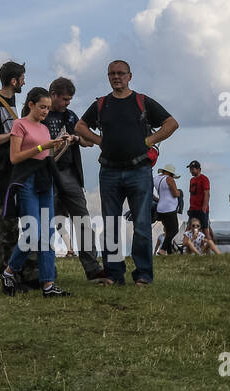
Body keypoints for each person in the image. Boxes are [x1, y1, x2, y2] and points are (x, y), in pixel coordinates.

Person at [75, 60, 179, 287]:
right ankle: (113, 274)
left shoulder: (142, 101)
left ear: (130, 76)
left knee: (142, 224)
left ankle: (143, 274)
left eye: (121, 73)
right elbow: (80, 126)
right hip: (109, 170)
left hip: (139, 170)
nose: (116, 77)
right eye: (112, 73)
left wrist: (150, 140)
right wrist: (99, 141)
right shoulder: (102, 104)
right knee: (110, 222)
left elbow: (171, 123)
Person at [0, 87, 72, 298]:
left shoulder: (45, 128)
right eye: (42, 107)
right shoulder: (19, 125)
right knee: (32, 233)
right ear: (30, 104)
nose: (45, 111)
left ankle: (48, 285)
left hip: (44, 181)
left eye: (48, 108)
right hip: (26, 182)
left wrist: (59, 145)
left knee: (47, 235)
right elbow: (15, 158)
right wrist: (42, 147)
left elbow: (47, 157)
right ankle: (9, 272)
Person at [44, 77, 105, 281]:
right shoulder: (41, 113)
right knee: (45, 224)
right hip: (46, 174)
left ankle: (92, 268)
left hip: (70, 174)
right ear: (53, 95)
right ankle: (45, 270)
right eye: (65, 99)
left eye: (70, 99)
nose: (67, 103)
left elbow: (89, 141)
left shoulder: (71, 116)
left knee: (82, 220)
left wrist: (76, 139)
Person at [0, 61, 37, 281]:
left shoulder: (16, 104)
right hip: (3, 170)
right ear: (14, 81)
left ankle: (29, 274)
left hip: (20, 169)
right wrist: (16, 134)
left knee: (29, 224)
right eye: (22, 77)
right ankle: (7, 276)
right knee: (8, 228)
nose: (25, 81)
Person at [153, 165, 181, 257]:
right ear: (169, 173)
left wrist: (158, 199)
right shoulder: (169, 179)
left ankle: (169, 252)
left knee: (168, 231)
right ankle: (162, 250)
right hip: (169, 208)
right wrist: (179, 192)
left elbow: (151, 193)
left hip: (160, 208)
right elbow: (175, 194)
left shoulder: (156, 178)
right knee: (174, 230)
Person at [186, 161, 212, 240]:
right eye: (190, 169)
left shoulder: (204, 179)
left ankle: (209, 249)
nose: (191, 171)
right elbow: (192, 195)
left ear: (198, 169)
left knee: (205, 230)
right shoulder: (192, 180)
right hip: (193, 209)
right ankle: (186, 250)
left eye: (192, 169)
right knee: (188, 229)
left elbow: (207, 194)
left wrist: (204, 208)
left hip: (201, 209)